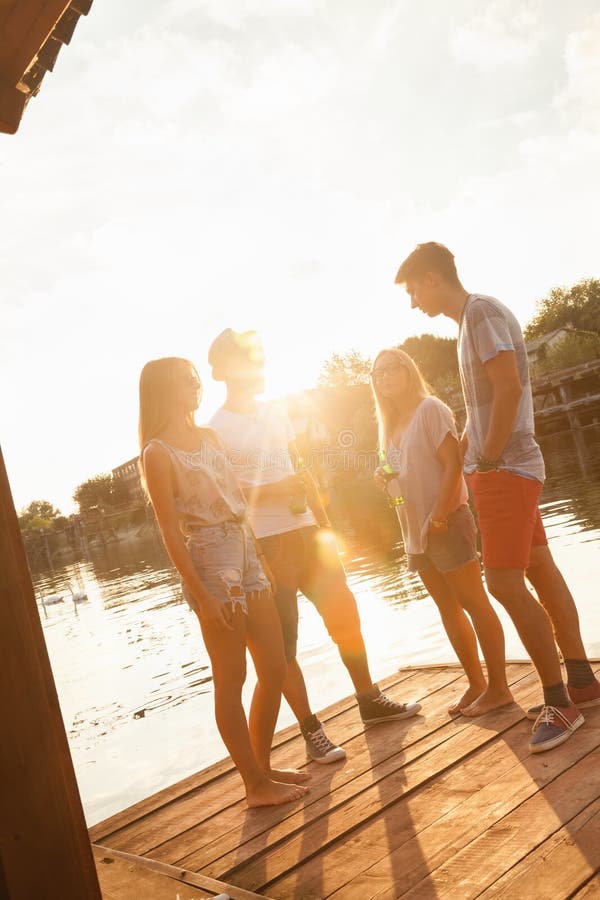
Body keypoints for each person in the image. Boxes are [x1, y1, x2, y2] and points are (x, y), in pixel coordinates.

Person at [395, 242, 600, 752]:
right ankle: (581, 681)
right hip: (506, 465)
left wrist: (485, 459)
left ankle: (559, 702)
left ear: (432, 278)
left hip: (506, 467)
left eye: (413, 289)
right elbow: (482, 403)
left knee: (504, 583)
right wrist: (468, 455)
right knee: (539, 570)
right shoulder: (472, 320)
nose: (413, 302)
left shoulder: (480, 313)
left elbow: (507, 387)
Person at [207, 329, 421, 764]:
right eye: (254, 360)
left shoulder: (275, 413)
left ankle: (369, 700)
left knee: (345, 615)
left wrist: (324, 527)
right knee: (282, 645)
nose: (262, 367)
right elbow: (226, 499)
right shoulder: (215, 430)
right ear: (229, 370)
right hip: (265, 543)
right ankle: (311, 729)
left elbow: (299, 468)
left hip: (307, 531)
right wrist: (271, 495)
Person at [138, 357, 309, 806]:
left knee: (274, 666)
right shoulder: (157, 452)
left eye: (195, 379)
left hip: (246, 550)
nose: (195, 386)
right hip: (211, 562)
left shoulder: (210, 438)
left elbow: (237, 499)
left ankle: (264, 766)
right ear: (162, 389)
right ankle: (254, 785)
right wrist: (199, 592)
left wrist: (260, 559)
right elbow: (171, 531)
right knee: (230, 676)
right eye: (185, 380)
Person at [371, 347, 513, 716]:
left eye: (390, 369)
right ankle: (476, 684)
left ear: (407, 369)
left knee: (474, 603)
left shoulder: (429, 409)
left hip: (445, 522)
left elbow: (454, 463)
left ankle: (500, 688)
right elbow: (396, 469)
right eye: (377, 373)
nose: (384, 378)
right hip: (415, 534)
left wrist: (438, 515)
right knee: (448, 609)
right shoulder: (389, 423)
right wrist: (381, 474)